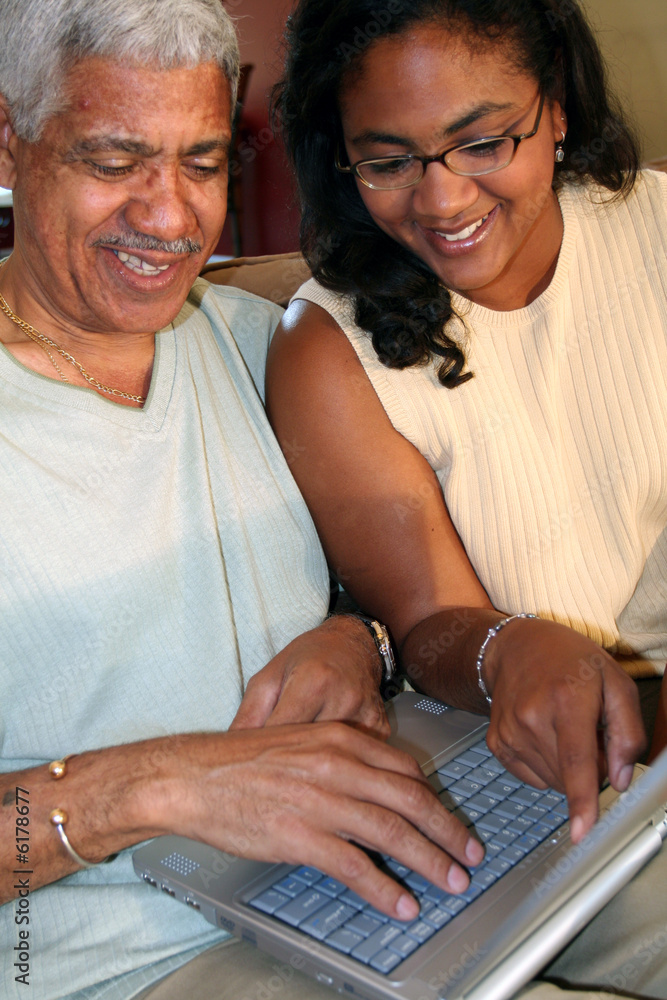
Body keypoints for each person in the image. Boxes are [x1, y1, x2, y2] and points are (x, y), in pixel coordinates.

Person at [0, 2, 485, 998]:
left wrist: (358, 642)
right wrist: (157, 782)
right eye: (113, 158)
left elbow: (379, 593)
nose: (170, 215)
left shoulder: (256, 339)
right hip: (133, 962)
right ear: (11, 140)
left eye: (203, 160)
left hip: (369, 863)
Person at [267, 0, 667, 996]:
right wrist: (507, 648)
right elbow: (431, 620)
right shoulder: (326, 347)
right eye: (388, 161)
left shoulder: (655, 233)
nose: (442, 201)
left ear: (559, 108)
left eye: (482, 141)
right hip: (549, 776)